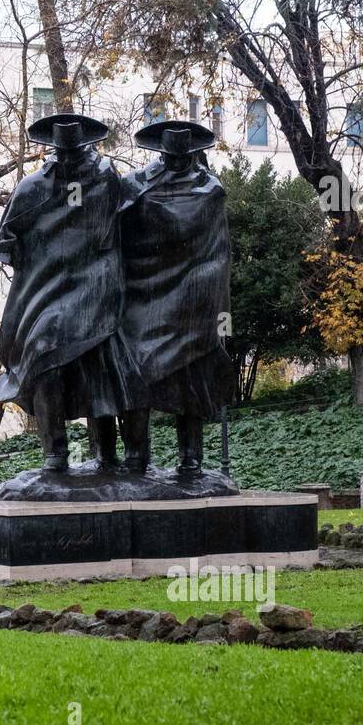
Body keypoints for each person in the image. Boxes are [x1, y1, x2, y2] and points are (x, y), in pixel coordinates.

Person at [0, 113, 138, 472]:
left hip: (98, 285)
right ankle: (55, 453)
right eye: (63, 150)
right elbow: (6, 242)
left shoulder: (105, 177)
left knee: (100, 361)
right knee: (43, 351)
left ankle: (107, 454)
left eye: (76, 149)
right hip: (51, 289)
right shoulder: (33, 187)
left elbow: (129, 228)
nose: (70, 156)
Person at [119, 120, 236, 478]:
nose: (178, 162)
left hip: (193, 299)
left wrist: (214, 301)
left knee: (192, 378)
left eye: (184, 157)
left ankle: (192, 459)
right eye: (172, 157)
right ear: (160, 152)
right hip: (144, 293)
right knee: (136, 372)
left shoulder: (210, 189)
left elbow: (220, 250)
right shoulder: (135, 186)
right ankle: (136, 457)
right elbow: (115, 238)